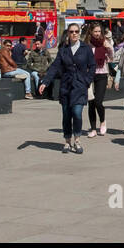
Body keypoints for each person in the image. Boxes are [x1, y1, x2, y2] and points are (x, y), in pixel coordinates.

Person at [42, 23, 95, 154]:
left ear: (79, 33)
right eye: (71, 31)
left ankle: (77, 140)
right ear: (68, 33)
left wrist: (87, 81)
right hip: (66, 87)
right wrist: (45, 82)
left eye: (76, 31)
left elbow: (92, 66)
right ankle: (67, 141)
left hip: (80, 86)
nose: (74, 34)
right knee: (66, 116)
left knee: (77, 113)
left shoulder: (86, 48)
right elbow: (54, 66)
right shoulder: (63, 49)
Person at [85, 24, 114, 135]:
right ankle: (93, 129)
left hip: (102, 73)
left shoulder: (105, 43)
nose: (97, 33)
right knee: (91, 102)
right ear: (91, 32)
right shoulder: (87, 45)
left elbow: (111, 58)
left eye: (99, 31)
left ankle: (102, 121)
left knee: (98, 101)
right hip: (89, 75)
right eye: (95, 31)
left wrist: (109, 47)